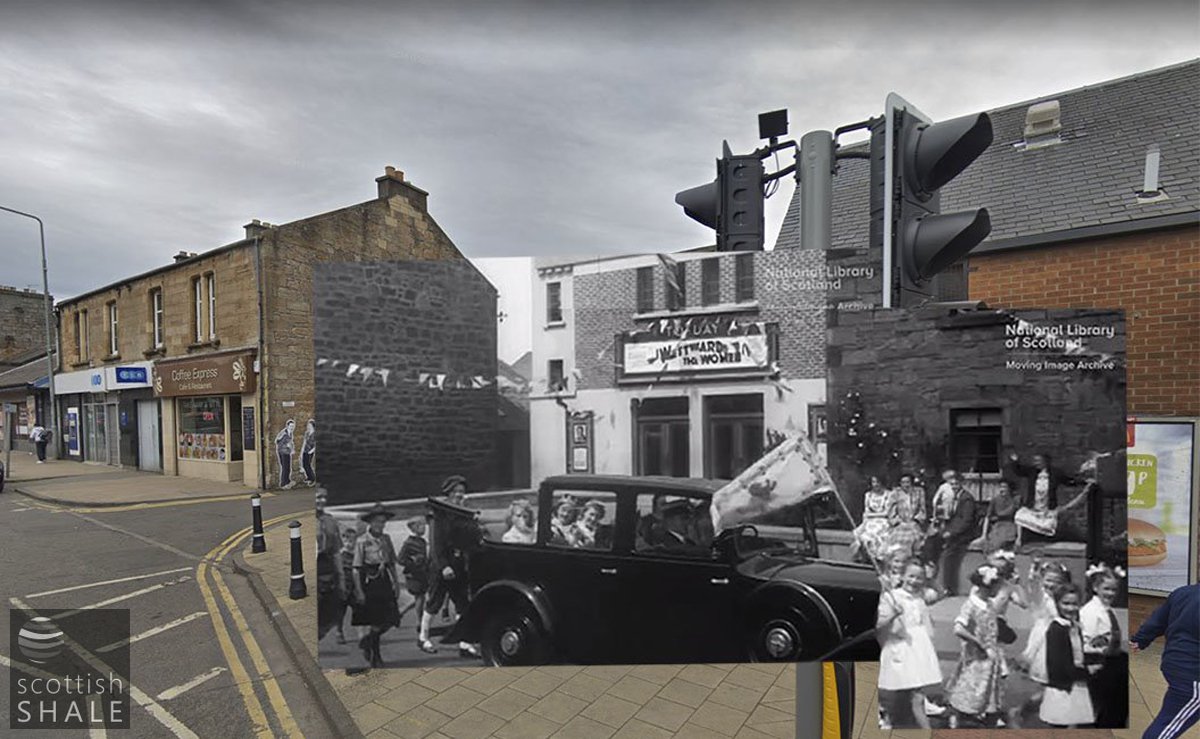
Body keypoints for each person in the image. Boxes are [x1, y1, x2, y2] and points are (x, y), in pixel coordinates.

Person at [876, 558, 944, 729]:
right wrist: (893, 614)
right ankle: (887, 718)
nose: (914, 581)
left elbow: (940, 593)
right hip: (899, 647)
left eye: (919, 578)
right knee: (899, 693)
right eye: (911, 576)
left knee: (916, 695)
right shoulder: (892, 597)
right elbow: (879, 623)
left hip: (918, 648)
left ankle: (919, 727)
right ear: (902, 576)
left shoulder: (921, 596)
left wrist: (931, 577)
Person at [418, 477, 478, 657]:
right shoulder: (440, 513)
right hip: (442, 565)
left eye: (461, 491)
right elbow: (437, 543)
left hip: (459, 563)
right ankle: (423, 637)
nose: (459, 495)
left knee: (462, 604)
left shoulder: (464, 512)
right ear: (449, 493)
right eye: (456, 491)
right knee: (435, 602)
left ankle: (464, 643)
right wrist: (444, 566)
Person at [1130, 583, 1199, 739]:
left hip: (1174, 661)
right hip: (1193, 672)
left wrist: (1141, 639)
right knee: (1169, 725)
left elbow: (1159, 619)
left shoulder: (1183, 593)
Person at [945, 565, 1006, 729]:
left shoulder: (989, 604)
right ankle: (957, 716)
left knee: (988, 688)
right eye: (997, 586)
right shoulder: (971, 605)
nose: (1000, 590)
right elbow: (958, 628)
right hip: (977, 656)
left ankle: (989, 717)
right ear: (988, 586)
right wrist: (976, 642)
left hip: (991, 654)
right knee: (971, 686)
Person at [351, 503, 402, 668]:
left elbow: (392, 563)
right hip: (369, 582)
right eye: (378, 522)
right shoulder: (362, 541)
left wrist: (396, 583)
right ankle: (375, 656)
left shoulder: (386, 539)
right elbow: (356, 568)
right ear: (370, 523)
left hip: (384, 581)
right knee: (375, 620)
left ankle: (367, 641)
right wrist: (359, 591)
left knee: (392, 618)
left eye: (383, 521)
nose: (381, 525)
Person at [1018, 559, 1069, 713]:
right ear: (1042, 581)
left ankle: (1032, 709)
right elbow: (1032, 589)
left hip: (1058, 638)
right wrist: (1033, 571)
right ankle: (1023, 710)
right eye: (1048, 581)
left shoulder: (1061, 597)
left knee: (1055, 683)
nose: (1051, 585)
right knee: (1052, 682)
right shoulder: (1043, 597)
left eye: (1057, 581)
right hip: (1045, 639)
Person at [1039, 583, 1094, 727]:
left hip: (1076, 683)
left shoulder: (1075, 626)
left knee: (1078, 724)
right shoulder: (1056, 629)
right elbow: (1058, 664)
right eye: (1066, 603)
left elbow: (1079, 653)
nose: (1070, 608)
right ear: (1057, 603)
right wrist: (1086, 672)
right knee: (1059, 725)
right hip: (1062, 686)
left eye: (1075, 604)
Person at [1080, 563, 1128, 728]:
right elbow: (1086, 642)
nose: (1110, 593)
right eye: (1106, 589)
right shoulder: (1090, 612)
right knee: (1108, 705)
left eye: (1114, 590)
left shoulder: (1107, 610)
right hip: (1099, 663)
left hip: (1112, 659)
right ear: (1095, 587)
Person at [926, 473, 976, 596]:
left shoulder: (967, 499)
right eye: (951, 484)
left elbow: (966, 521)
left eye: (956, 484)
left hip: (963, 534)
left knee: (950, 555)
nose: (954, 486)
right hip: (952, 530)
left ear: (961, 484)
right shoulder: (954, 497)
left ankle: (949, 588)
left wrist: (951, 532)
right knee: (931, 541)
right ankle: (929, 571)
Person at [315, 488, 346, 642]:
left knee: (332, 606)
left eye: (324, 497)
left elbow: (336, 552)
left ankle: (331, 632)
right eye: (318, 497)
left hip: (327, 567)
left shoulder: (330, 521)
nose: (322, 500)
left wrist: (341, 579)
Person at [853, 476, 896, 565]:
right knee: (861, 534)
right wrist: (864, 523)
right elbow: (866, 511)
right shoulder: (868, 495)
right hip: (870, 521)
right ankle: (866, 556)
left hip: (884, 521)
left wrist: (871, 515)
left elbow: (887, 512)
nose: (875, 484)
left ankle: (879, 557)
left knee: (876, 533)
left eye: (877, 482)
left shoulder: (889, 494)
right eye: (873, 482)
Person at [397, 517, 429, 628]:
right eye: (421, 525)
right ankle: (419, 622)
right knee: (420, 596)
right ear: (414, 528)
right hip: (414, 574)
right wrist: (412, 561)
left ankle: (402, 611)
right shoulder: (409, 542)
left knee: (420, 597)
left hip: (423, 573)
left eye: (424, 525)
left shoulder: (422, 541)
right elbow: (400, 559)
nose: (424, 527)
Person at [886, 475, 926, 559]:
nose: (906, 485)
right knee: (897, 539)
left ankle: (913, 559)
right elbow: (891, 510)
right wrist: (898, 521)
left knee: (915, 538)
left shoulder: (919, 492)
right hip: (900, 523)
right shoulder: (895, 493)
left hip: (913, 522)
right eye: (903, 482)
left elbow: (922, 509)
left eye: (908, 482)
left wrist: (916, 520)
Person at [335, 526, 360, 645]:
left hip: (355, 587)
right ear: (343, 541)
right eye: (347, 540)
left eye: (352, 540)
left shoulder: (357, 555)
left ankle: (361, 633)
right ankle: (339, 632)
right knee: (340, 611)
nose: (350, 543)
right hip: (344, 587)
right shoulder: (339, 556)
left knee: (359, 609)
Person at [983, 480, 1019, 554]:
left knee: (1005, 542)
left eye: (1004, 487)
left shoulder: (1014, 500)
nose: (1002, 489)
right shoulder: (995, 500)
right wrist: (984, 534)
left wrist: (1019, 538)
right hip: (998, 525)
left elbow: (1019, 519)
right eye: (1000, 487)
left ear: (1009, 488)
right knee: (994, 543)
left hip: (1010, 525)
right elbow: (987, 517)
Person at [275, 419, 296, 489]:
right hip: (283, 452)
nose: (292, 428)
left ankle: (287, 481)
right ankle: (283, 483)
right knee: (285, 467)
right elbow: (277, 442)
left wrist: (292, 448)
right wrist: (286, 446)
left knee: (287, 468)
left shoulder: (289, 433)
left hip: (286, 452)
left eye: (293, 426)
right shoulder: (284, 433)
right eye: (291, 426)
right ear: (287, 426)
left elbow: (290, 442)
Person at [300, 419, 317, 486]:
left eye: (310, 425)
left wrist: (312, 451)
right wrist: (302, 451)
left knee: (308, 465)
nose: (308, 426)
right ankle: (309, 477)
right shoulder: (306, 433)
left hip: (310, 451)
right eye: (308, 425)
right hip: (305, 450)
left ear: (312, 426)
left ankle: (312, 478)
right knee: (304, 465)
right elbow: (304, 442)